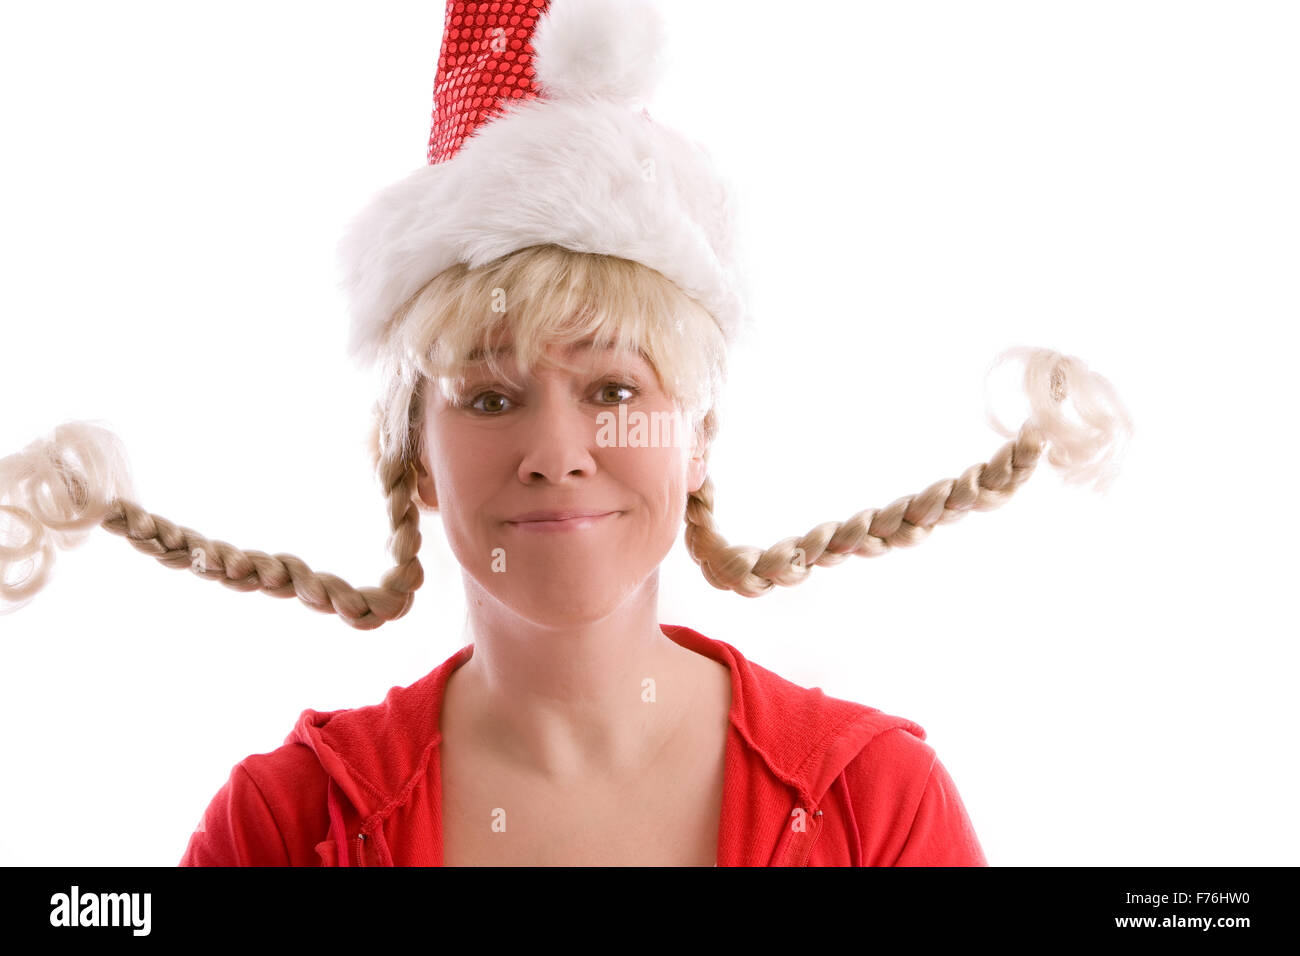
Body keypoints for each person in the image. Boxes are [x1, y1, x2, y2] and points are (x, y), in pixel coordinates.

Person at [0, 0, 1132, 866]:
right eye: (490, 396)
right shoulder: (288, 824)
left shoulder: (875, 802)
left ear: (699, 440)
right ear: (415, 455)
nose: (556, 447)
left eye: (611, 390)